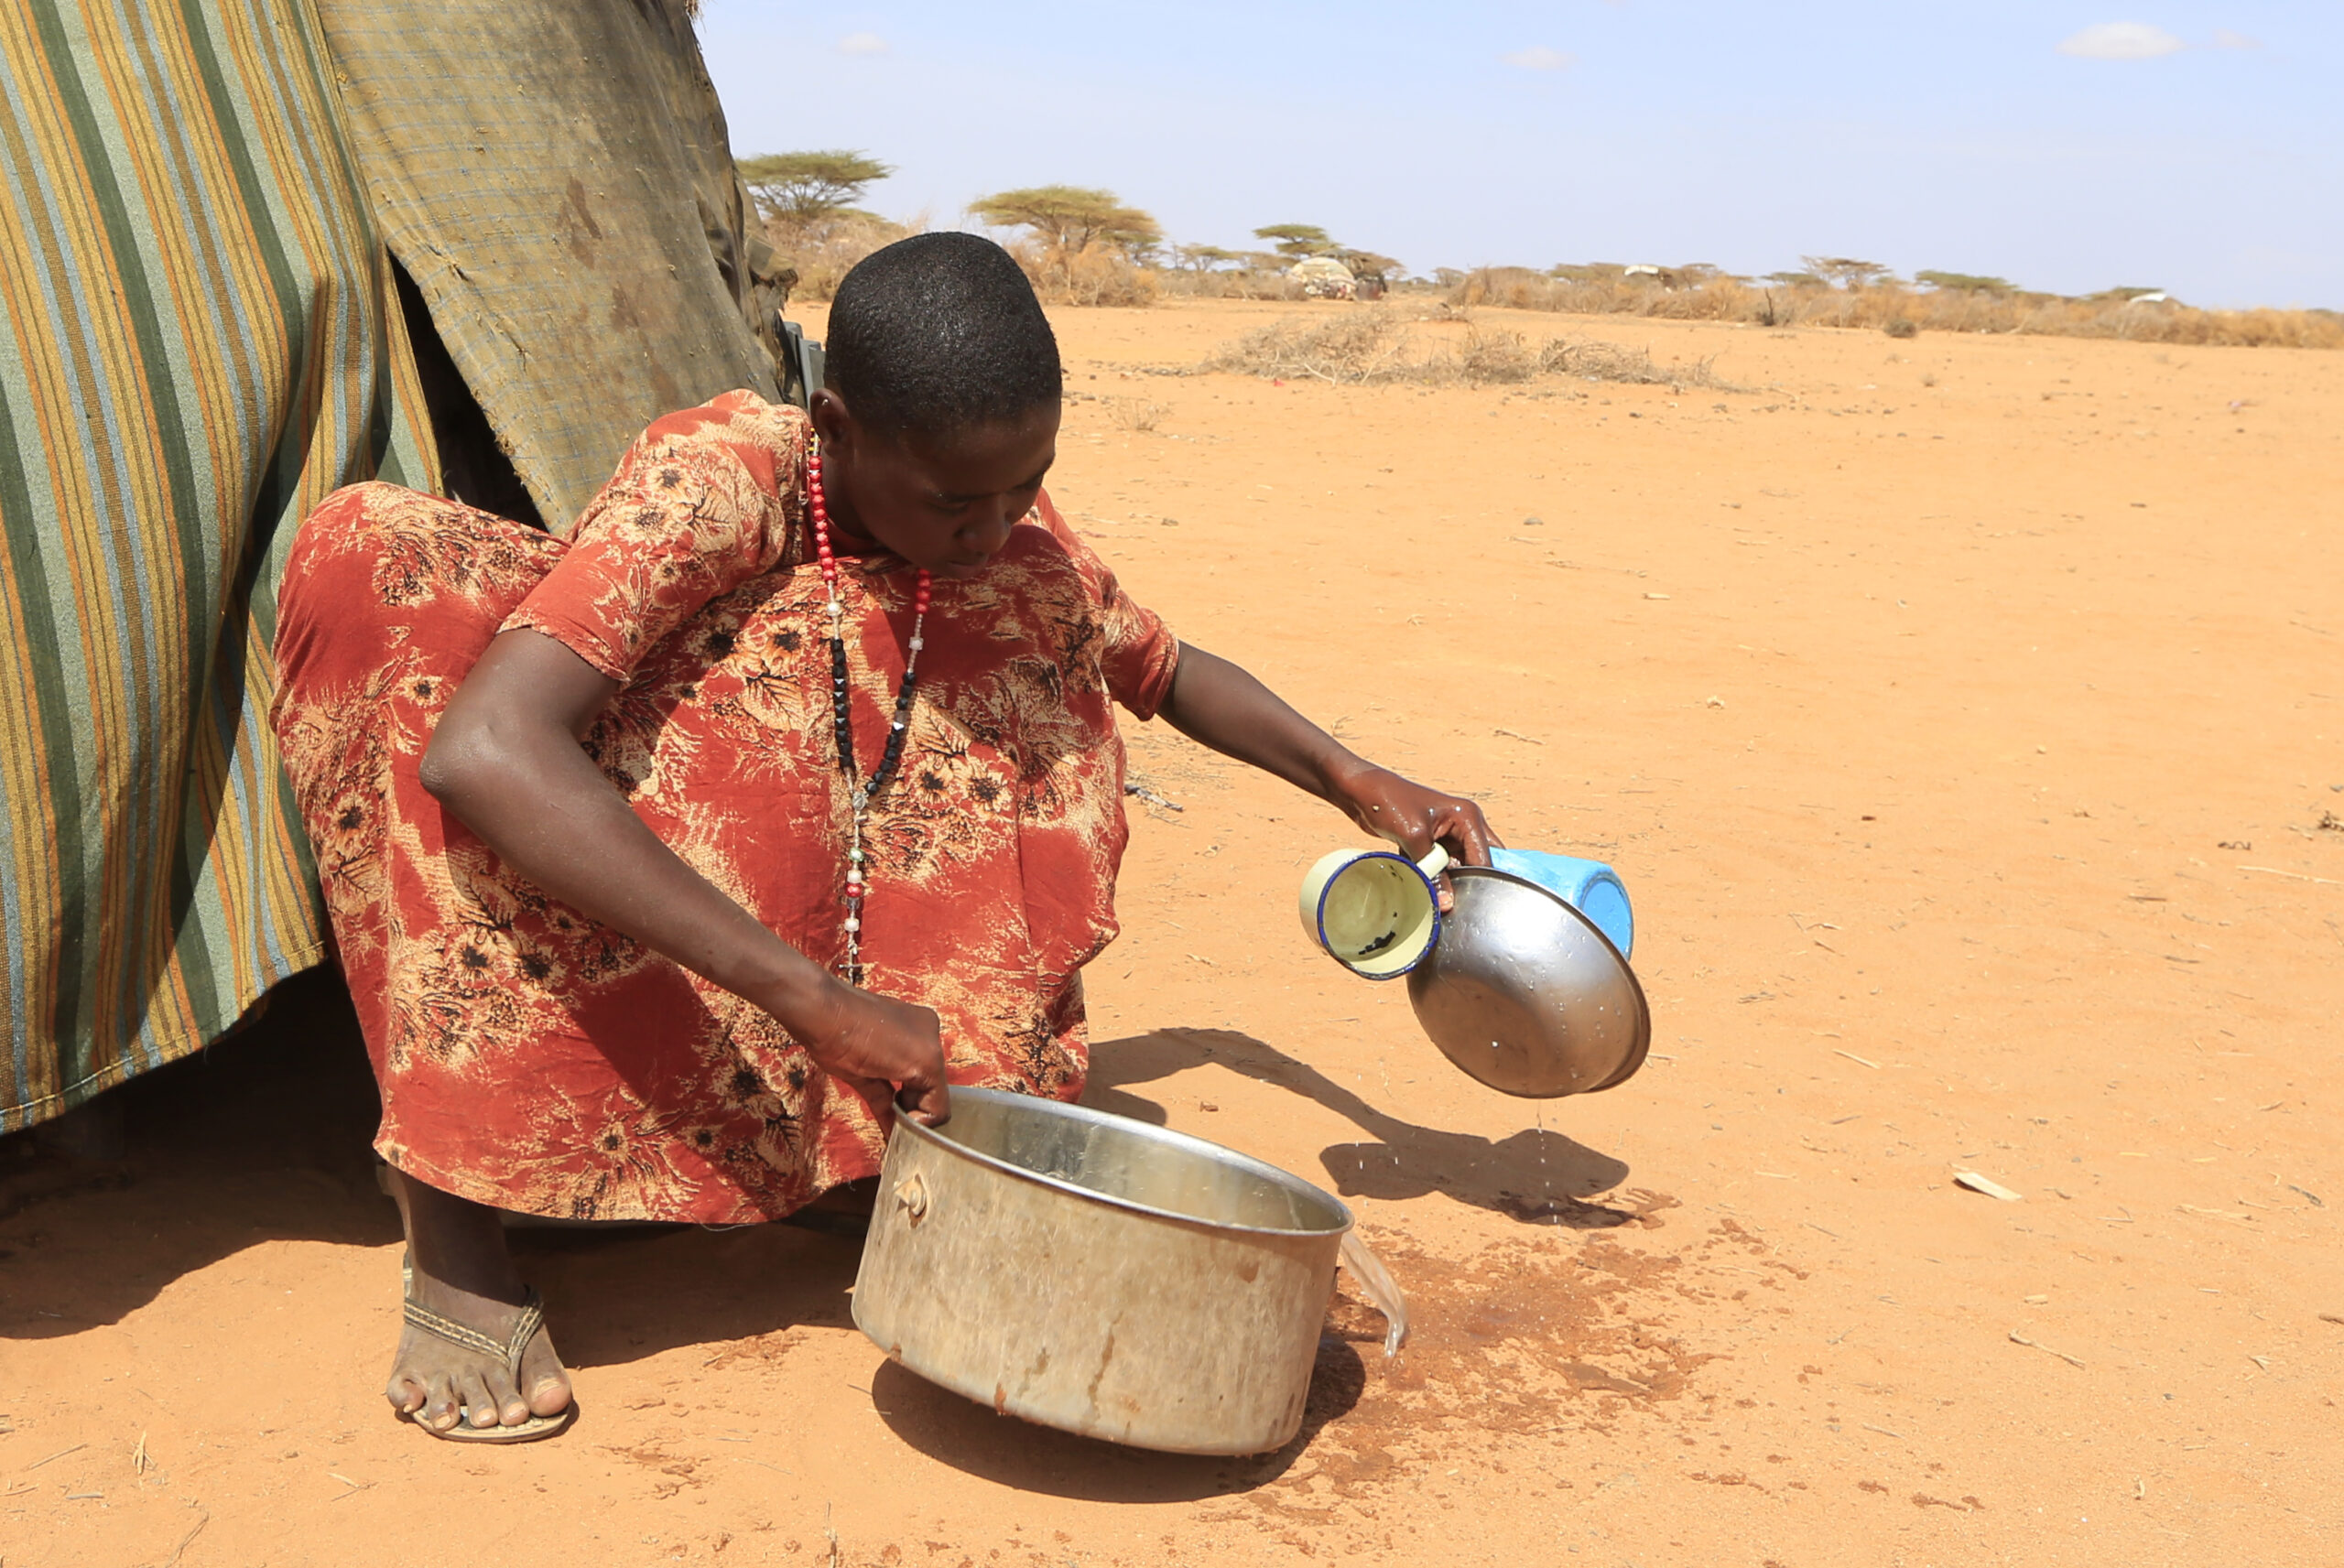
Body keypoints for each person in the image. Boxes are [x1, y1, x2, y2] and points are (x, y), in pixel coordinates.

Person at [270, 232, 1497, 1443]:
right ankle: (453, 1225)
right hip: (614, 788)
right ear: (841, 429)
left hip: (797, 832)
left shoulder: (997, 524)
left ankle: (829, 1149)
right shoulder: (717, 479)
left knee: (1024, 610)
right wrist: (818, 1001)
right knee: (476, 646)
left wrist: (1357, 777)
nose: (1002, 519)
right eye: (961, 498)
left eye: (1031, 481)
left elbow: (1159, 665)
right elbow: (487, 752)